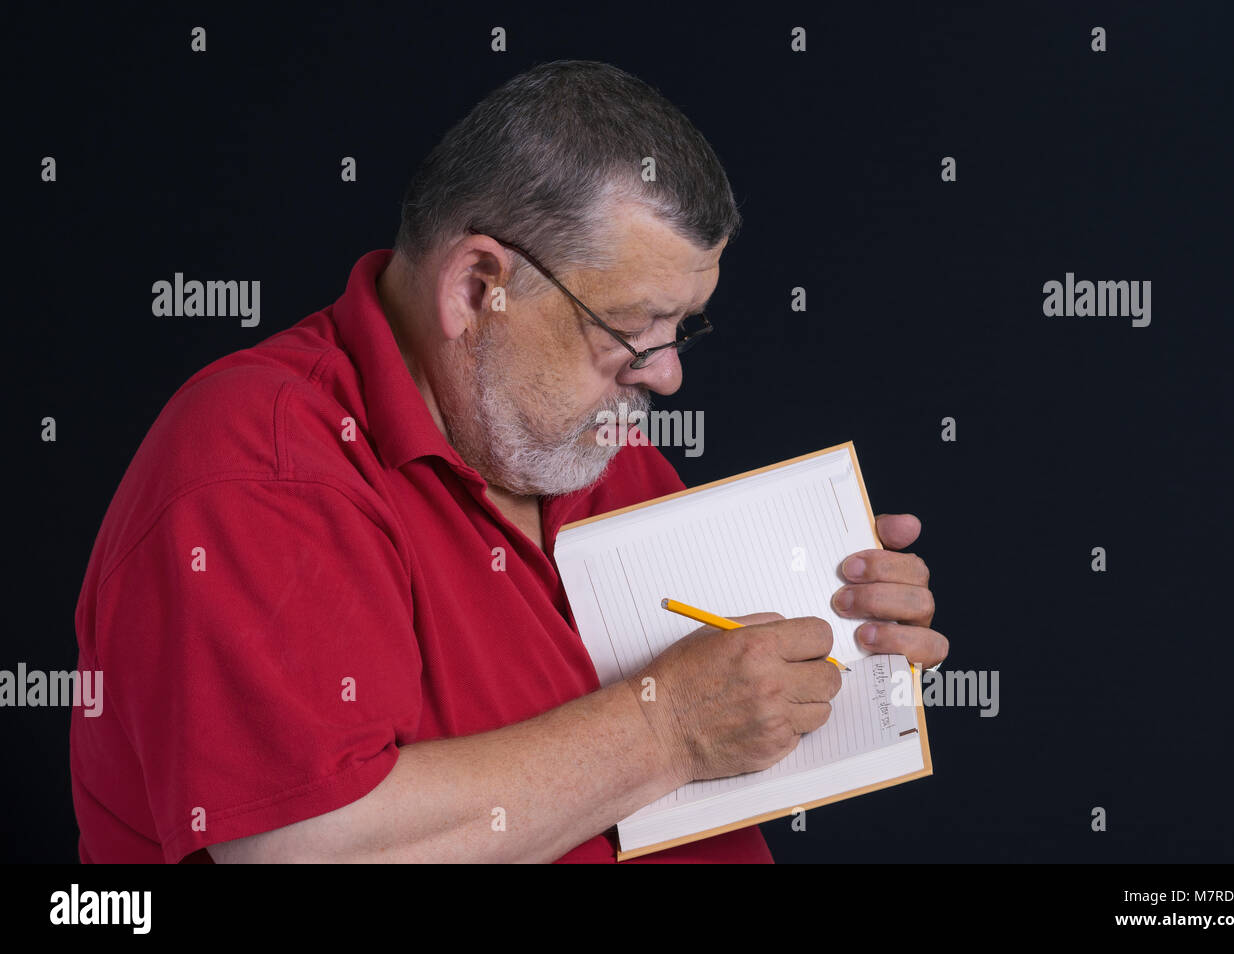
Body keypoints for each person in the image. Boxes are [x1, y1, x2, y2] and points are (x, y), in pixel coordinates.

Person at [70, 59, 946, 863]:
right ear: (475, 286)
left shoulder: (587, 444)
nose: (669, 378)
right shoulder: (261, 462)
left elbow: (725, 721)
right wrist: (669, 727)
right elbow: (307, 848)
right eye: (630, 332)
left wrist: (834, 625)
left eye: (681, 331)